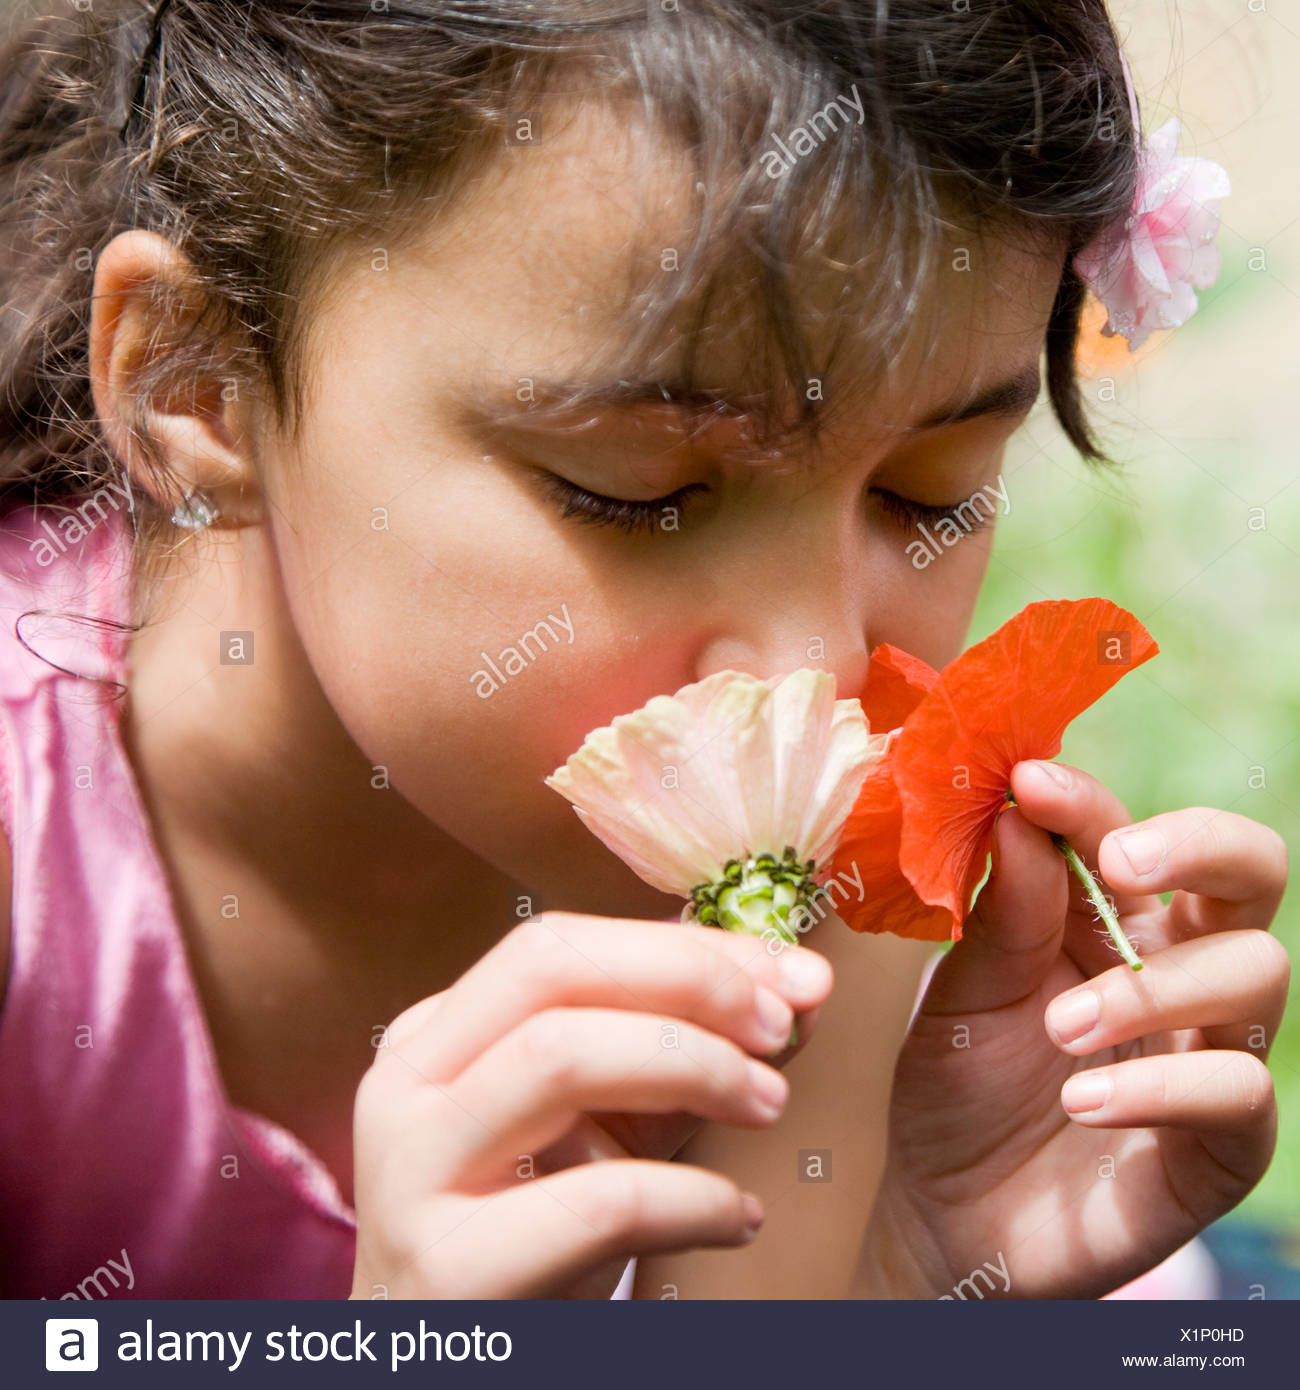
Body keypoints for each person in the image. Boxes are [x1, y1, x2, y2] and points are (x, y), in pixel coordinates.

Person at [0, 0, 1286, 1301]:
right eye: (636, 493)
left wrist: (901, 1282)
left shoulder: (838, 848)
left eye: (927, 489)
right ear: (197, 383)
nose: (819, 666)